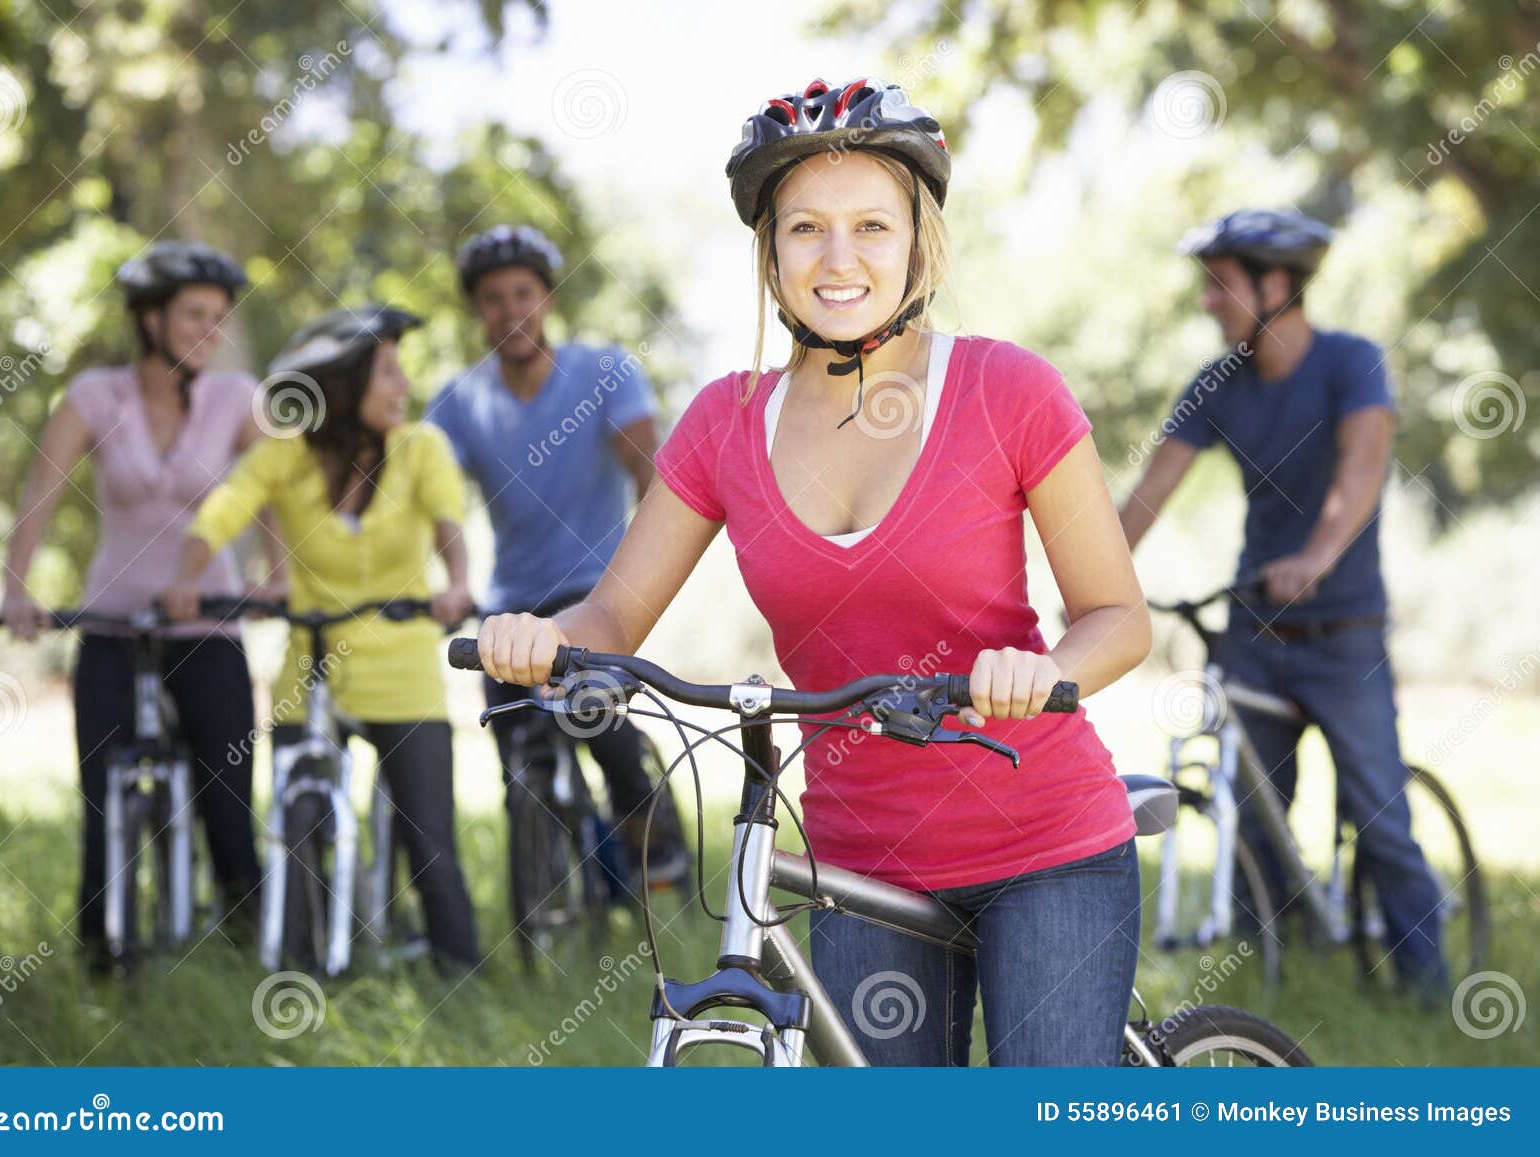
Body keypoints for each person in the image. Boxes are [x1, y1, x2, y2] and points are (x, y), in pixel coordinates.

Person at [476, 78, 1153, 1065]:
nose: (839, 260)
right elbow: (615, 611)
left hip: (1043, 844)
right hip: (859, 858)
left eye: (871, 225)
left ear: (918, 240)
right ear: (771, 249)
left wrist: (1039, 672)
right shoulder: (723, 423)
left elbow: (1116, 617)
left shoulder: (1008, 390)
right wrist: (544, 638)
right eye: (806, 229)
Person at [1118, 208, 1449, 996]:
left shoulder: (1350, 362)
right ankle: (1273, 980)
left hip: (1343, 629)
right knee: (1251, 819)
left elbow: (1360, 472)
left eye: (1219, 286)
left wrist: (1316, 557)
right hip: (1255, 625)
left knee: (1380, 817)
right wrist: (1090, 585)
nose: (1206, 303)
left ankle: (1428, 991)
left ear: (1276, 285)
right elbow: (1147, 494)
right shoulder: (1217, 384)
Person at [161, 304, 483, 972]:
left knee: (432, 843)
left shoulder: (421, 448)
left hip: (404, 666)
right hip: (312, 669)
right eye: (387, 372)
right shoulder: (286, 453)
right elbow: (224, 509)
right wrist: (186, 578)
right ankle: (302, 964)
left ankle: (462, 974)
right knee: (297, 830)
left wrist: (457, 583)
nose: (401, 387)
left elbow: (449, 523)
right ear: (342, 386)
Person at [0, 240, 273, 970]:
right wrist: (16, 589)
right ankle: (103, 959)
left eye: (218, 319)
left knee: (228, 796)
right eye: (194, 316)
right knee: (103, 798)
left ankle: (250, 949)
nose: (210, 333)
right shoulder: (95, 396)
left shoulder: (236, 397)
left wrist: (279, 574)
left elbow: (278, 484)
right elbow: (40, 499)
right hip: (112, 621)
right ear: (150, 319)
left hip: (208, 619)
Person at [429, 224, 688, 884]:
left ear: (547, 299)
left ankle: (657, 852)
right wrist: (450, 576)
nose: (510, 309)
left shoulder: (605, 372)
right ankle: (552, 878)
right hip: (509, 602)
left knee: (601, 725)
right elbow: (432, 501)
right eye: (492, 298)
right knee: (516, 749)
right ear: (477, 310)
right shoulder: (459, 402)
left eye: (523, 293)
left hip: (594, 591)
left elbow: (647, 472)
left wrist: (646, 574)